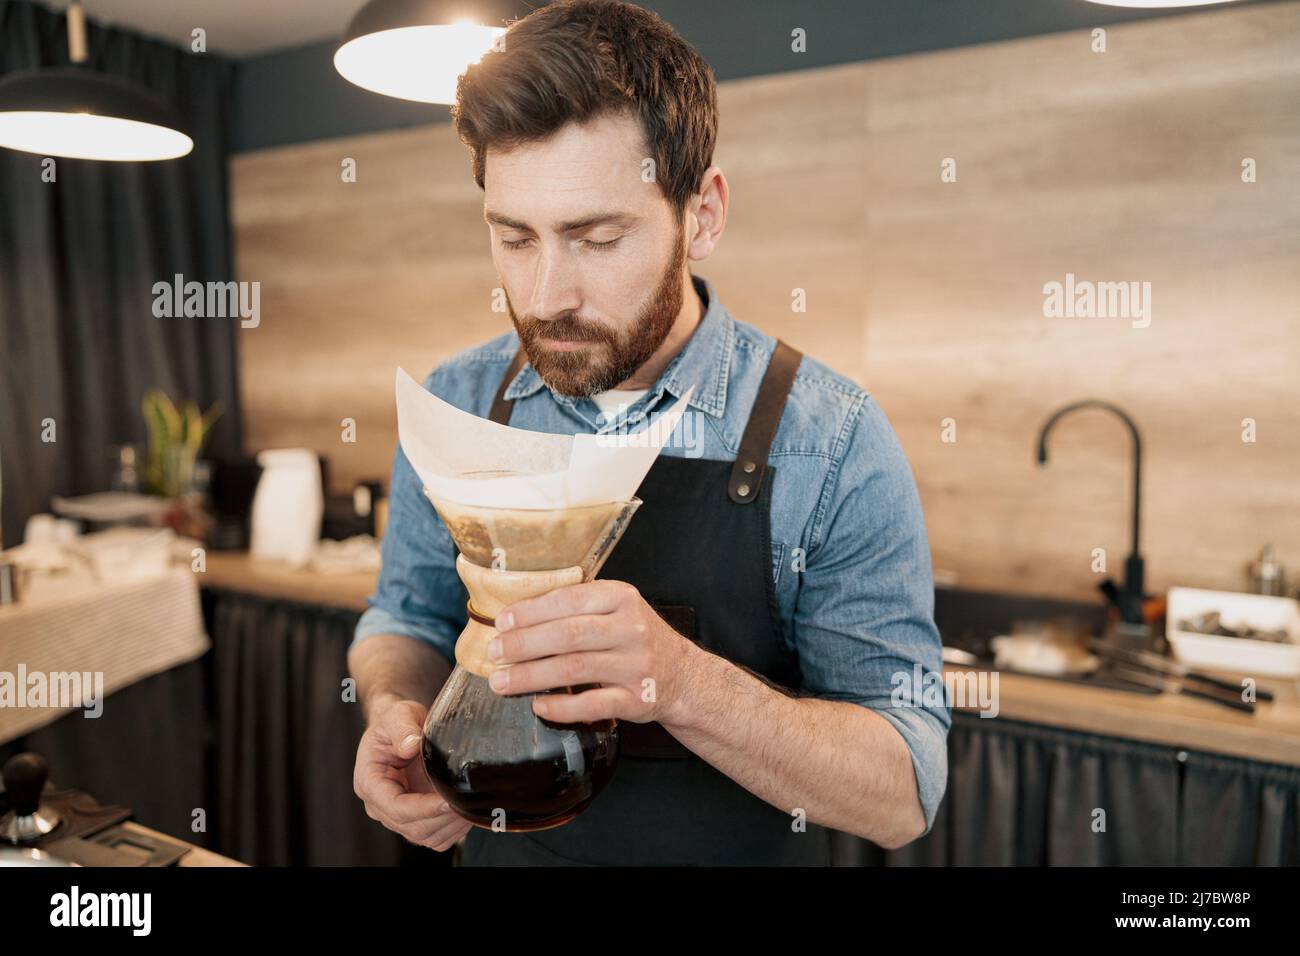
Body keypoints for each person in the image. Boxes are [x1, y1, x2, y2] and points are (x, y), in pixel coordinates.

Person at [348, 0, 949, 866]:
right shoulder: (461, 402)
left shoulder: (833, 440)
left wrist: (679, 679)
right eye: (515, 238)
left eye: (596, 238)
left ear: (701, 214)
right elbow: (403, 617)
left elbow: (904, 790)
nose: (548, 293)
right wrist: (393, 713)